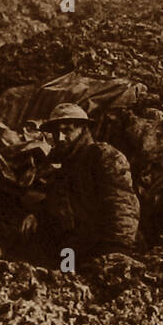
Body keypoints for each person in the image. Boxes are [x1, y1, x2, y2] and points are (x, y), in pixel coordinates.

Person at [19, 103, 141, 261]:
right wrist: (37, 216)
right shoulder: (62, 163)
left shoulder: (102, 156)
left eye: (67, 130)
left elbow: (122, 205)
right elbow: (58, 203)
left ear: (83, 129)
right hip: (75, 246)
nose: (61, 138)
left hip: (106, 245)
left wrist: (117, 251)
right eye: (56, 132)